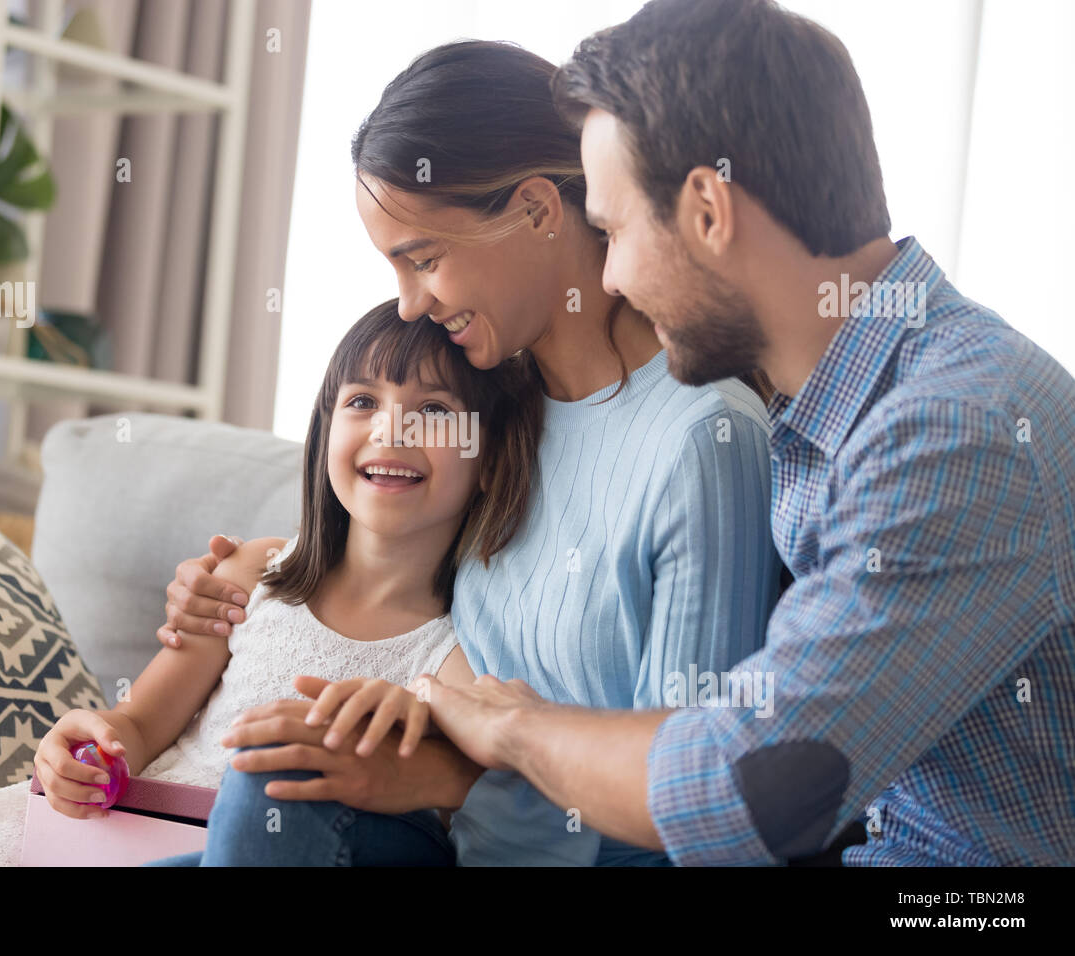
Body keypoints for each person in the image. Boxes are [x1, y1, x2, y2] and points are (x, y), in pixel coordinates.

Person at [404, 0, 1075, 866]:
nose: (606, 275)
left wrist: (513, 728)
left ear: (709, 211)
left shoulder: (952, 431)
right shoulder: (845, 404)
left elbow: (741, 792)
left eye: (611, 233)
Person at [160, 40, 782, 865]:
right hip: (443, 845)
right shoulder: (489, 410)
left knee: (266, 784)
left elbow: (694, 803)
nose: (410, 301)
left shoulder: (703, 441)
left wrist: (451, 778)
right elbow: (366, 559)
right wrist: (229, 588)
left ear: (535, 210)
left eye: (424, 258)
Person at [0, 298, 538, 866]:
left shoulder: (455, 654)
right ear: (325, 430)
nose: (391, 428)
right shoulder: (253, 573)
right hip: (142, 825)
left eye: (433, 409)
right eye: (362, 400)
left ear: (487, 460)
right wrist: (88, 749)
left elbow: (465, 816)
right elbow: (139, 722)